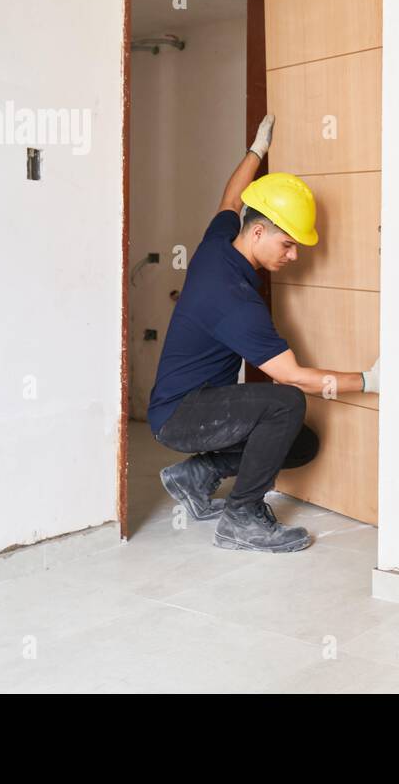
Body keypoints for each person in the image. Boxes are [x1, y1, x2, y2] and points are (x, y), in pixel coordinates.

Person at [147, 115, 380, 553]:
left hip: (187, 406)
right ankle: (242, 518)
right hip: (179, 415)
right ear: (258, 232)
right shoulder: (234, 299)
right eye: (288, 244)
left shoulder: (219, 243)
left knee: (300, 442)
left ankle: (197, 476)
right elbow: (295, 377)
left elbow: (230, 198)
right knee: (286, 401)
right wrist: (369, 381)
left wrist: (257, 149)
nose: (293, 255)